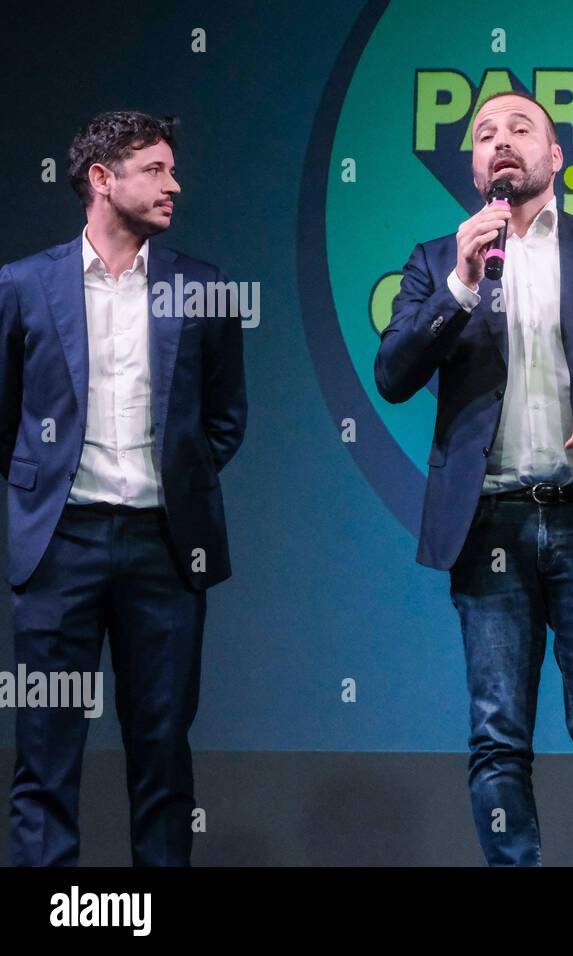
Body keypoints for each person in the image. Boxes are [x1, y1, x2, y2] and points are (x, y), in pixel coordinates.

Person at [375, 90, 573, 866]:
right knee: (497, 740)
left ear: (555, 158)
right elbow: (392, 375)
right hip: (488, 525)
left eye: (522, 129)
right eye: (485, 134)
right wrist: (457, 284)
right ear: (476, 165)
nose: (502, 142)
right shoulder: (435, 261)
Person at [1, 111, 247, 865]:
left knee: (163, 751)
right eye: (155, 170)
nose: (174, 185)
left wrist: (175, 484)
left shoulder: (203, 287)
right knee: (44, 752)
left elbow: (226, 420)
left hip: (165, 553)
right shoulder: (20, 285)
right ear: (102, 181)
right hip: (58, 548)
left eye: (173, 170)